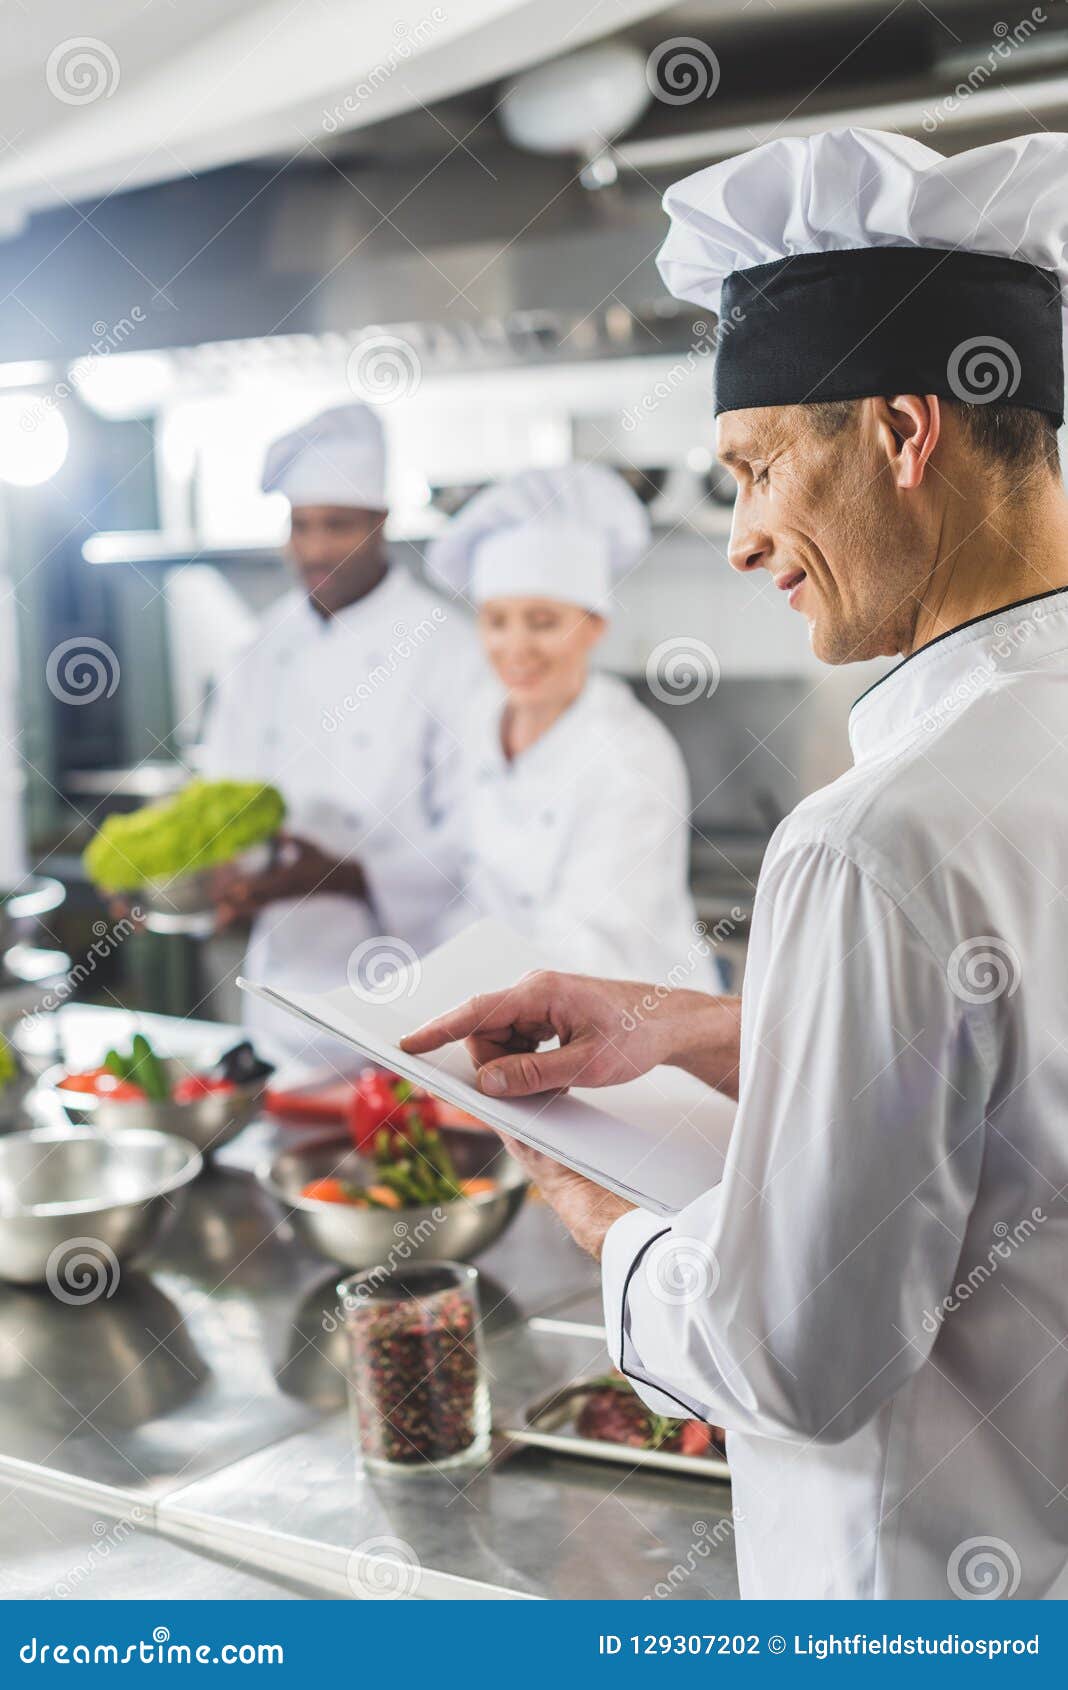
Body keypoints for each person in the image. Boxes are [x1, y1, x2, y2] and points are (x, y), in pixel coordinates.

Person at [401, 129, 1068, 1600]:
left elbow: (794, 1357)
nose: (752, 535)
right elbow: (1028, 1094)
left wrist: (601, 1215)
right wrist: (707, 1026)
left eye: (759, 468)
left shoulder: (873, 841)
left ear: (906, 432)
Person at [201, 401, 477, 1062]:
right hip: (281, 1009)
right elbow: (219, 796)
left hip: (415, 997)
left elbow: (477, 844)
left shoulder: (450, 649)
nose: (315, 547)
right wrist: (205, 876)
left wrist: (350, 876)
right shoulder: (260, 649)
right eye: (301, 526)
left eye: (336, 525)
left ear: (381, 522)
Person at [426, 462, 720, 987]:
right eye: (496, 620)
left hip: (630, 1036)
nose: (516, 648)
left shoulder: (630, 754)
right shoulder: (476, 720)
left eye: (543, 622)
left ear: (593, 627)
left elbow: (591, 947)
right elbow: (456, 877)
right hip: (506, 1006)